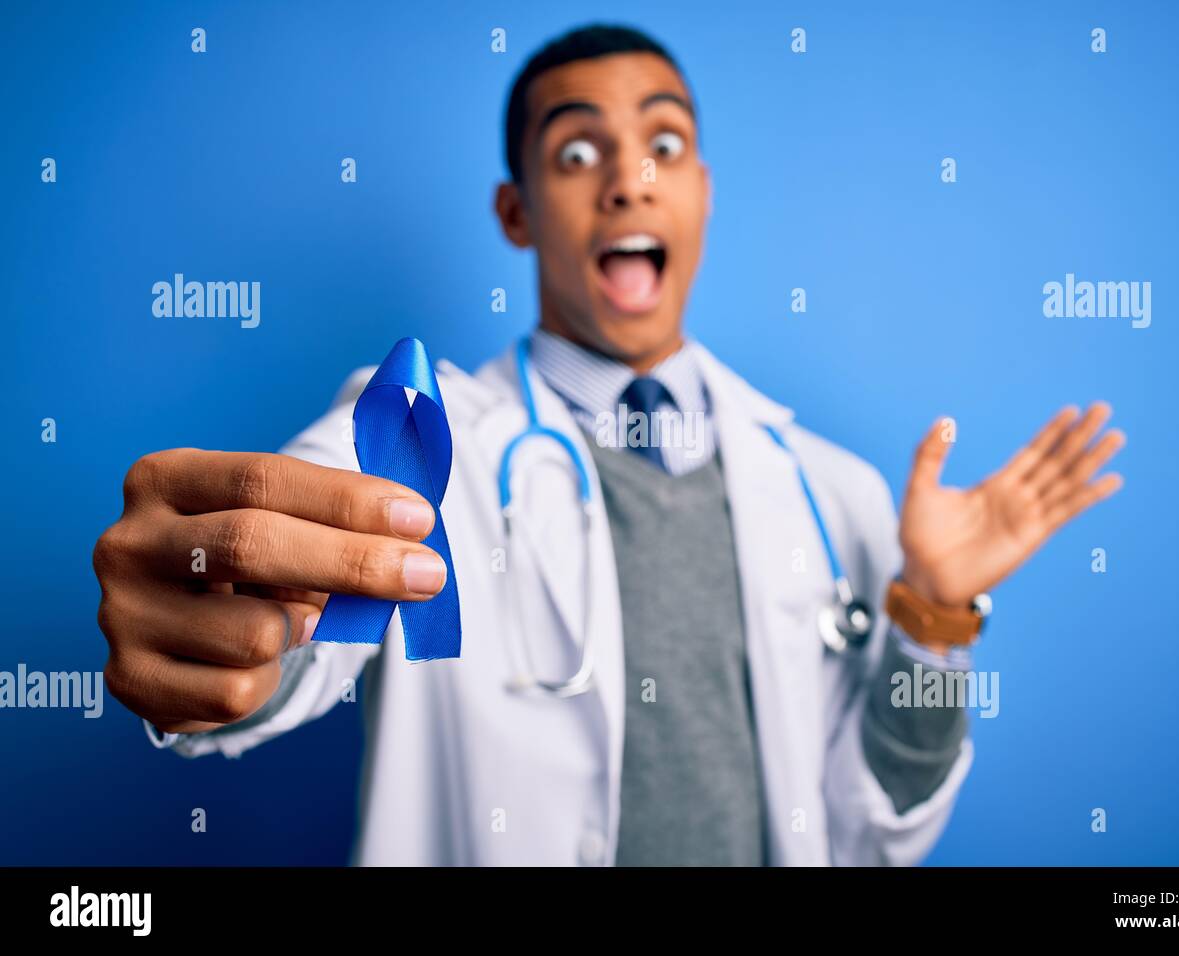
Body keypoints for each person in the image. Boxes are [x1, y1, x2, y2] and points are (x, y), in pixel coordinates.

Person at [92, 24, 1124, 866]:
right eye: (576, 153)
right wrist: (216, 611)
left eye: (664, 146)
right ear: (515, 211)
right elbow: (287, 611)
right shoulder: (415, 434)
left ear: (704, 193)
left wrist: (933, 620)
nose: (628, 181)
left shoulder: (833, 492)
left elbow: (877, 827)